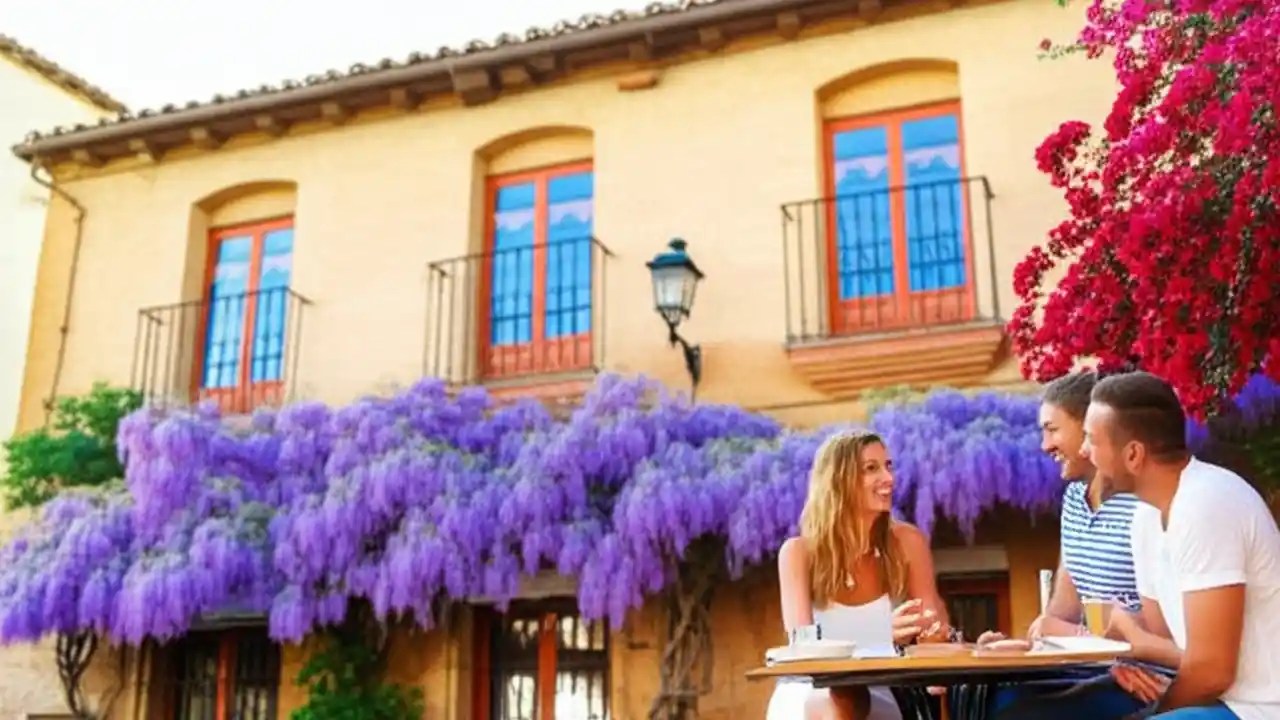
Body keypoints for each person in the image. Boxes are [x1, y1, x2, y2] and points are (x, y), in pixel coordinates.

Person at [1083, 371, 1280, 719]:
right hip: (1214, 698)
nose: (1085, 452)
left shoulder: (1207, 502)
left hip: (1258, 708)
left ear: (1133, 454)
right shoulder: (1145, 518)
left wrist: (1156, 711)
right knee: (1035, 707)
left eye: (1092, 440)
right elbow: (1170, 639)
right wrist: (1128, 653)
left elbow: (1212, 671)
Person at [987, 371, 1155, 720]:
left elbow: (1162, 626)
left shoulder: (1144, 504)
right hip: (1086, 670)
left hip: (1138, 675)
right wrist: (1023, 646)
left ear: (1089, 428)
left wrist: (1069, 632)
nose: (1045, 445)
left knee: (1017, 714)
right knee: (986, 695)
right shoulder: (1075, 500)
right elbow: (1060, 612)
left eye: (1052, 429)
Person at [769, 430, 953, 720]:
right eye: (871, 469)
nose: (889, 479)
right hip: (810, 691)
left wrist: (936, 635)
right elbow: (803, 650)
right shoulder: (797, 553)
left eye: (888, 466)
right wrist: (879, 638)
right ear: (839, 480)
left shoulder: (907, 542)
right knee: (844, 698)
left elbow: (932, 631)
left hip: (879, 689)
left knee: (856, 698)